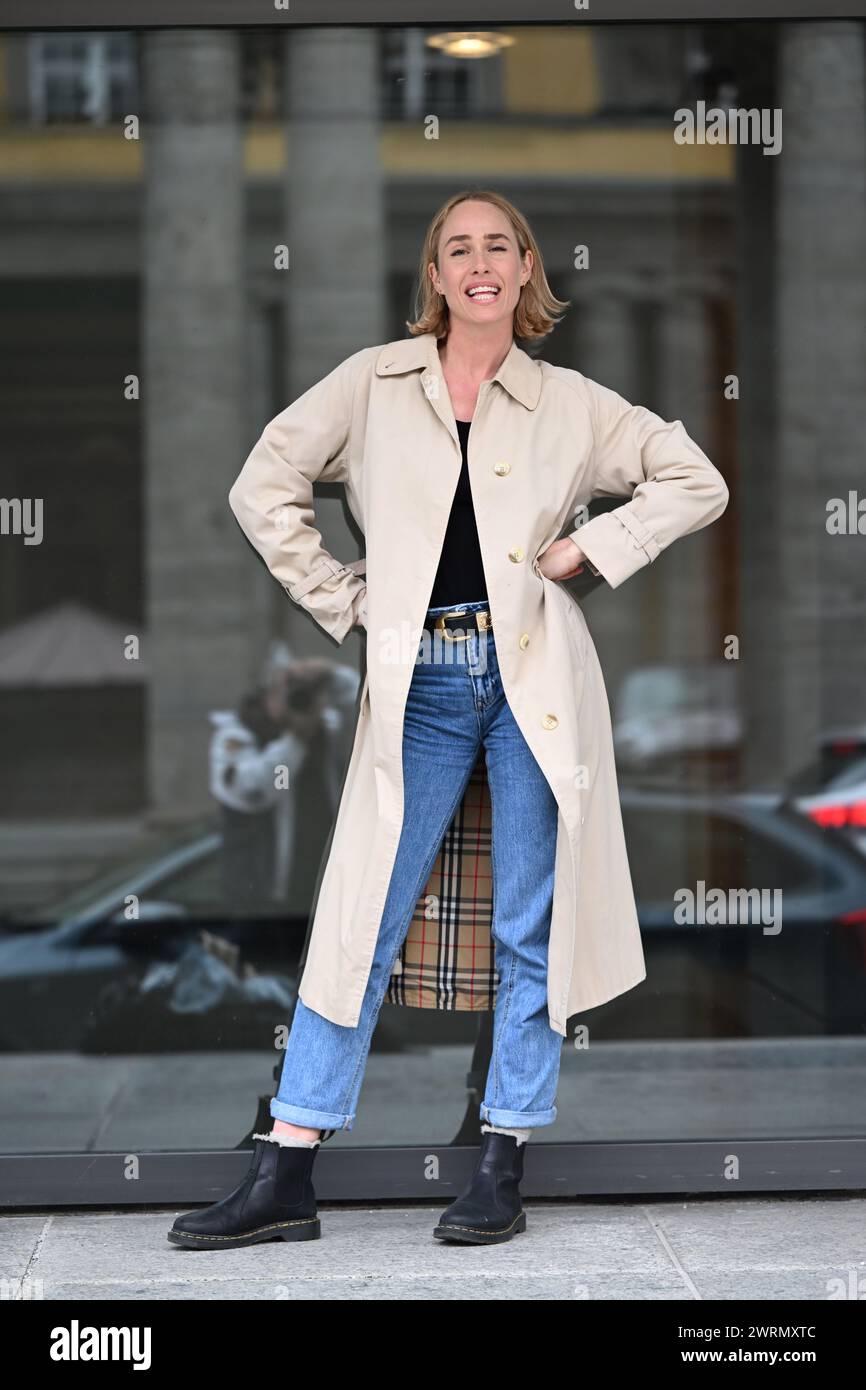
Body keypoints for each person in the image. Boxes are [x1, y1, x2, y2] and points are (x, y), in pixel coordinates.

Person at [169, 187, 728, 1251]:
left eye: (496, 247)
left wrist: (593, 549)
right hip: (420, 679)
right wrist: (342, 600)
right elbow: (263, 484)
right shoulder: (371, 384)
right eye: (454, 248)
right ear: (433, 276)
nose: (477, 262)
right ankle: (287, 1165)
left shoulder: (568, 400)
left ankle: (500, 1153)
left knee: (528, 923)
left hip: (534, 681)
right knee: (359, 920)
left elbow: (690, 477)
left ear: (524, 270)